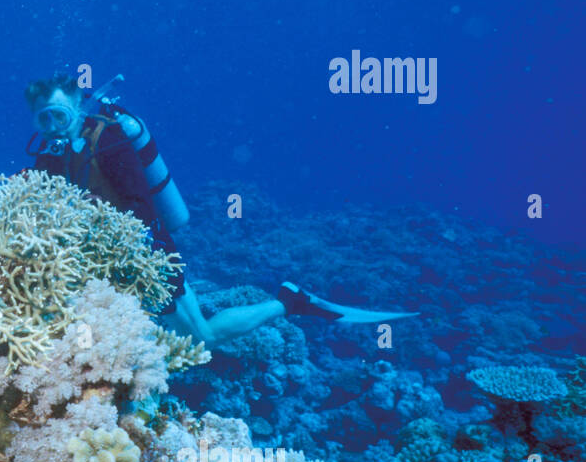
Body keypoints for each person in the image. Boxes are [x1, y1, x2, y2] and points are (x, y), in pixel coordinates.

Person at [24, 72, 414, 347]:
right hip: (113, 262)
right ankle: (289, 301)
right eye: (44, 118)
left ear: (78, 106)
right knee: (170, 337)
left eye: (59, 114)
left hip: (148, 255)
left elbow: (140, 204)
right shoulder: (48, 157)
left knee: (202, 340)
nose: (52, 125)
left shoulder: (108, 140)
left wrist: (135, 256)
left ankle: (289, 302)